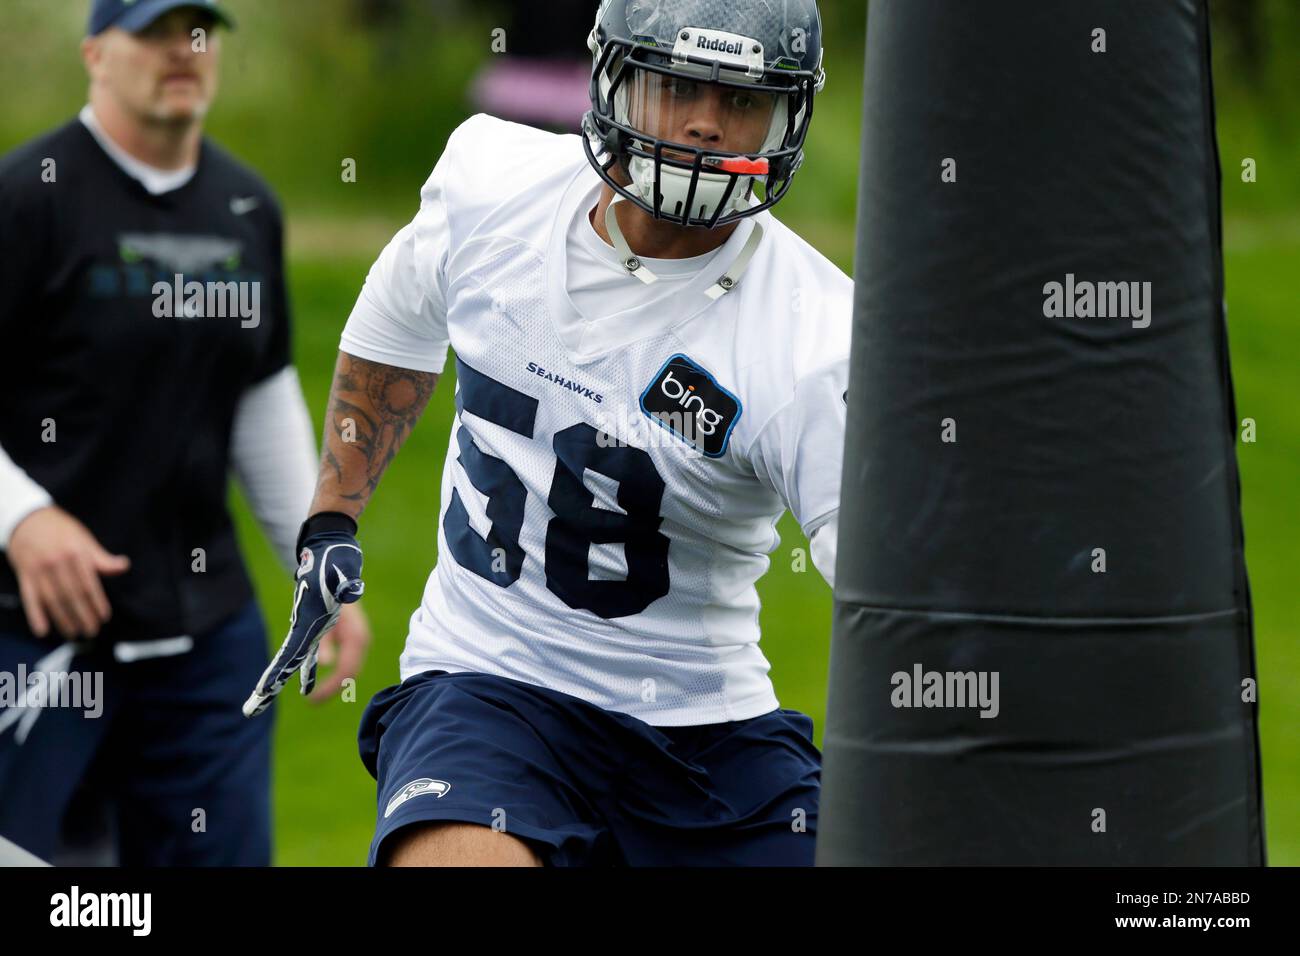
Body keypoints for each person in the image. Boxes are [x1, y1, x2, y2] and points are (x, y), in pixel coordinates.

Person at [245, 0, 846, 867]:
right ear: (613, 78)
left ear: (786, 115)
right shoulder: (492, 185)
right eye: (677, 85)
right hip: (490, 683)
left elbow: (889, 594)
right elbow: (395, 323)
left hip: (706, 729)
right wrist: (332, 520)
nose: (708, 122)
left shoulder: (813, 333)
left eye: (741, 99)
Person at [0, 0, 370, 865]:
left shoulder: (245, 206)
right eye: (155, 31)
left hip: (207, 641)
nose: (184, 50)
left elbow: (260, 395)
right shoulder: (26, 197)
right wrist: (22, 519)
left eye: (200, 31)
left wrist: (316, 562)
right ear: (96, 53)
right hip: (39, 635)